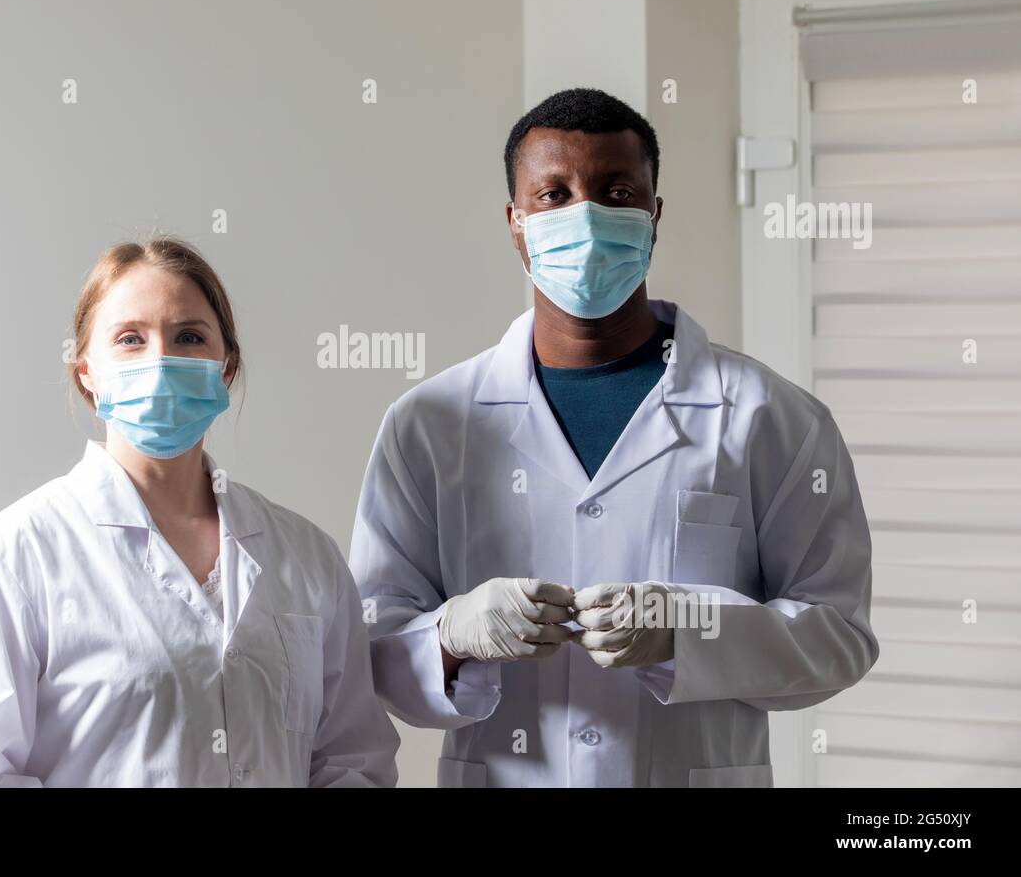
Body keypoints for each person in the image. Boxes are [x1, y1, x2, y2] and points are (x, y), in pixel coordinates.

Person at [349, 88, 878, 787]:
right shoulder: (429, 424)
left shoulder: (768, 417)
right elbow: (367, 647)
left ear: (654, 216)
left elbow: (837, 637)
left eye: (617, 191)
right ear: (514, 222)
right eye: (553, 195)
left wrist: (685, 631)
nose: (587, 216)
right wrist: (449, 637)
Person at [0, 235, 398, 786]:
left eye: (189, 337)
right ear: (86, 375)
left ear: (227, 368)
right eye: (129, 339)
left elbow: (353, 760)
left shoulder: (307, 557)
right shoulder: (13, 557)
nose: (161, 362)